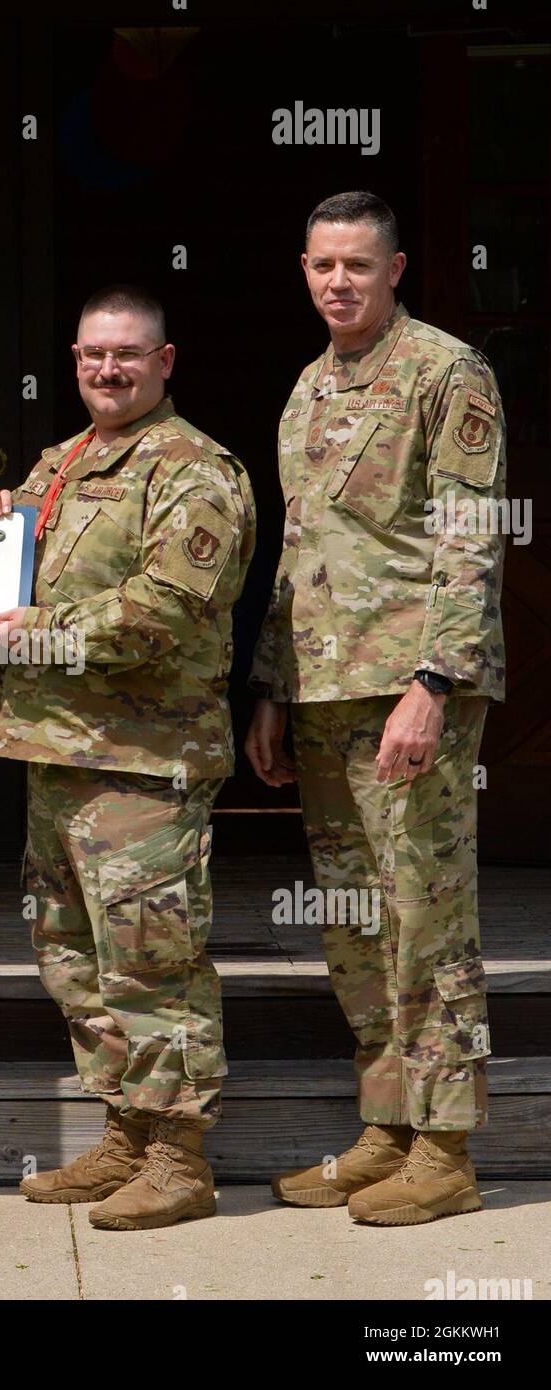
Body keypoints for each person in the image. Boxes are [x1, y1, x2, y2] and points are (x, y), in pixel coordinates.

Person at [245, 191, 507, 1226]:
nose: (337, 283)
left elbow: (466, 536)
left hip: (406, 691)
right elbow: (298, 549)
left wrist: (434, 682)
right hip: (319, 688)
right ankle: (385, 1125)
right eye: (320, 266)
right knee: (355, 921)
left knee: (426, 916)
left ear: (395, 269)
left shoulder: (444, 370)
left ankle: (443, 1147)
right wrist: (270, 683)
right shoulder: (308, 385)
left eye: (357, 265)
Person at [0, 285, 255, 1231]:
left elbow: (163, 611)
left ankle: (180, 1159)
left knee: (152, 960)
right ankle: (128, 1134)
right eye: (94, 354)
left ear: (164, 362)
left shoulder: (193, 471)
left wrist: (38, 629)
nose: (108, 369)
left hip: (144, 759)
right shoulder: (64, 462)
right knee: (73, 954)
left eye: (128, 355)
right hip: (58, 755)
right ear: (74, 356)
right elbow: (10, 552)